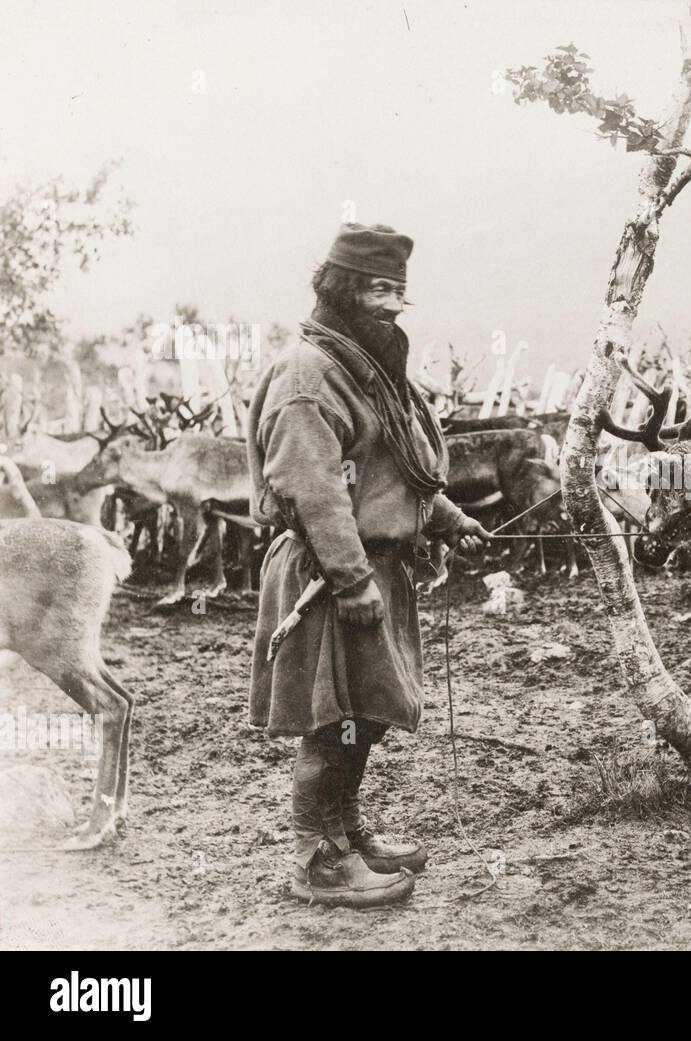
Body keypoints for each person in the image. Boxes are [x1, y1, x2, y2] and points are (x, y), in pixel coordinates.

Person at [247, 223, 489, 907]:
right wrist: (352, 581)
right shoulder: (308, 376)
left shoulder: (364, 367)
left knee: (368, 710)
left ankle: (346, 831)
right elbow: (314, 491)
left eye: (399, 293)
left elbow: (394, 466)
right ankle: (316, 857)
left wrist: (449, 518)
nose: (391, 305)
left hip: (369, 568)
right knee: (334, 717)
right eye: (379, 288)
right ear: (343, 289)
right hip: (328, 575)